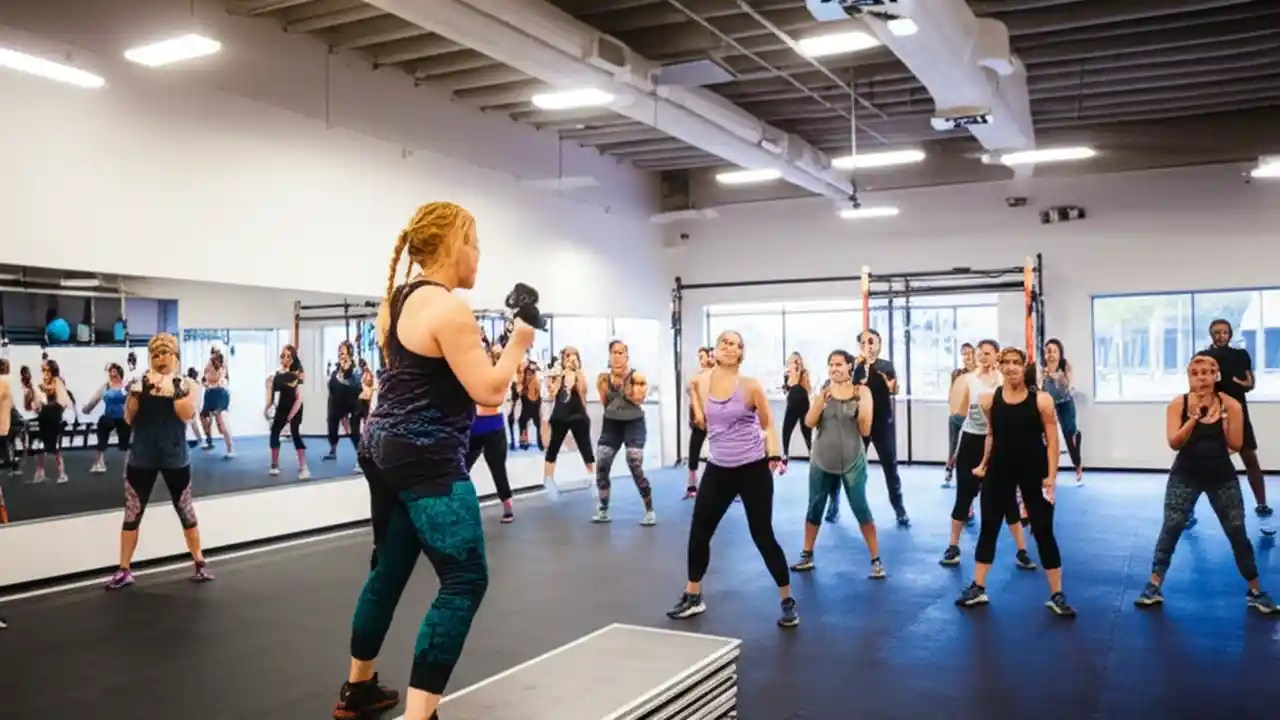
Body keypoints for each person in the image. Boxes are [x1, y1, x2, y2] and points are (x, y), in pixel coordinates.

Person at [334, 201, 534, 720]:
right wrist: (519, 342)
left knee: (390, 569)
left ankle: (357, 690)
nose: (480, 256)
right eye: (475, 244)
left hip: (382, 449)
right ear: (451, 246)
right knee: (466, 581)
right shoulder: (448, 309)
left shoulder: (397, 300)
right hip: (426, 458)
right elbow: (489, 391)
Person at [668, 330, 798, 628]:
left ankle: (787, 598)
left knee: (762, 535)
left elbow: (769, 423)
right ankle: (693, 594)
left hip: (752, 468)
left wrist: (774, 455)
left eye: (736, 345)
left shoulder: (750, 386)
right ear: (715, 349)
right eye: (725, 342)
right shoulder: (701, 382)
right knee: (699, 529)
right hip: (718, 469)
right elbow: (702, 422)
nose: (730, 347)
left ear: (741, 354)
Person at [1134, 352, 1276, 613]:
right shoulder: (1178, 404)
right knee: (1172, 527)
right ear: (1189, 377)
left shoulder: (1231, 405)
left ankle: (1256, 590)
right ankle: (1153, 585)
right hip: (1185, 474)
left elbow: (1236, 444)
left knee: (1237, 531)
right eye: (1196, 373)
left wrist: (1222, 423)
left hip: (1221, 475)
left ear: (1216, 376)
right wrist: (1193, 419)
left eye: (1207, 373)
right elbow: (1174, 442)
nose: (1202, 378)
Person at [956, 348, 1075, 616]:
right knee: (989, 528)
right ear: (1000, 367)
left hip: (1034, 471)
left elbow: (1053, 441)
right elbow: (991, 435)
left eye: (1016, 363)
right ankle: (978, 587)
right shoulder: (989, 400)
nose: (1011, 368)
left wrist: (1051, 477)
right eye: (1006, 363)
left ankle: (1057, 594)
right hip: (999, 471)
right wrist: (984, 464)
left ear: (1024, 368)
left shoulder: (1042, 401)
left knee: (1043, 531)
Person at [105, 333, 213, 590]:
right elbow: (129, 418)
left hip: (175, 456)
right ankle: (124, 570)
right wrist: (134, 396)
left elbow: (186, 413)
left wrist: (172, 388)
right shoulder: (141, 381)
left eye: (165, 353)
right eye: (155, 354)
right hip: (142, 456)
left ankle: (199, 563)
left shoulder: (188, 384)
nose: (160, 358)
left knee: (185, 509)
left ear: (175, 356)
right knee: (132, 513)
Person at [941, 339, 1034, 569]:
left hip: (1000, 443)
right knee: (964, 497)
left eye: (988, 354)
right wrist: (952, 450)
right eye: (980, 353)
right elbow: (955, 413)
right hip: (972, 440)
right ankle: (953, 546)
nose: (983, 357)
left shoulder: (1005, 380)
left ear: (996, 356)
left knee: (1008, 500)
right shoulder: (968, 380)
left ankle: (1022, 551)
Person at [790, 350, 883, 579]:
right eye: (831, 364)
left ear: (850, 367)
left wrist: (861, 406)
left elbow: (865, 430)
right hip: (822, 459)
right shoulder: (824, 393)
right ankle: (807, 554)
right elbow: (809, 422)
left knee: (861, 507)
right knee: (815, 507)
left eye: (839, 364)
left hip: (852, 461)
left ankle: (876, 559)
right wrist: (821, 400)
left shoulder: (862, 392)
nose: (835, 368)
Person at [1200, 319, 1270, 521]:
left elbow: (1250, 383)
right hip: (1212, 416)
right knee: (1201, 464)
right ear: (1211, 334)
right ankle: (1188, 511)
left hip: (1239, 414)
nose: (1221, 336)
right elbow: (1197, 385)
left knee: (1250, 459)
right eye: (1216, 332)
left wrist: (1235, 382)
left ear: (1230, 334)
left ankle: (1262, 504)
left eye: (1224, 332)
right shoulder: (1203, 357)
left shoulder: (1240, 355)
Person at [591, 340, 655, 525]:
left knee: (634, 463)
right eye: (614, 352)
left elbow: (640, 399)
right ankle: (603, 509)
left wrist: (627, 384)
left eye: (621, 352)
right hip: (611, 424)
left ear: (627, 356)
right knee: (602, 465)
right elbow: (606, 403)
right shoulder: (603, 379)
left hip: (634, 424)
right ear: (609, 356)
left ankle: (649, 509)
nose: (617, 356)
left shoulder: (637, 376)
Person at [852, 330, 909, 526]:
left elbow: (894, 389)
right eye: (863, 342)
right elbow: (852, 387)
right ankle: (838, 505)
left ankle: (899, 509)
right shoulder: (854, 365)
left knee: (890, 467)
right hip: (860, 423)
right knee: (852, 467)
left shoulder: (886, 365)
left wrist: (892, 385)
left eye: (871, 341)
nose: (867, 345)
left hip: (883, 423)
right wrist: (861, 364)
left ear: (879, 344)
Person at [467, 347, 515, 523]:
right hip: (474, 428)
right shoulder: (470, 378)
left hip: (494, 427)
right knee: (461, 469)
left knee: (498, 468)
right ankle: (464, 506)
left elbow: (494, 399)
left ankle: (507, 504)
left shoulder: (497, 380)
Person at [543, 346, 595, 489]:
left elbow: (583, 392)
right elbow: (553, 394)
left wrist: (576, 373)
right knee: (553, 447)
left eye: (574, 356)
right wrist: (556, 379)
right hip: (560, 416)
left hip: (578, 416)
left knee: (586, 447)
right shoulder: (559, 374)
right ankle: (548, 478)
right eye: (567, 356)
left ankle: (593, 477)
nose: (570, 359)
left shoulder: (580, 375)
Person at [1041, 339, 1082, 486]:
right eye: (1048, 351)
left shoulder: (1064, 365)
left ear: (1059, 353)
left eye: (1054, 351)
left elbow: (1067, 385)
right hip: (1048, 404)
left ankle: (1077, 465)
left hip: (1065, 402)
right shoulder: (1041, 368)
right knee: (1046, 436)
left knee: (1069, 433)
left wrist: (1057, 376)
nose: (1051, 355)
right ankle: (1047, 472)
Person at [265, 344, 309, 479]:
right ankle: (274, 464)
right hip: (282, 407)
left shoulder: (299, 375)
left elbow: (299, 399)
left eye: (289, 356)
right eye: (283, 356)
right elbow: (272, 394)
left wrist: (290, 416)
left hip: (295, 408)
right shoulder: (277, 375)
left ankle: (303, 466)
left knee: (295, 432)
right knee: (274, 432)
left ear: (293, 358)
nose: (286, 359)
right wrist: (267, 407)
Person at [83, 363, 131, 474]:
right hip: (109, 416)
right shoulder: (106, 386)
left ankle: (128, 469)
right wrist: (87, 409)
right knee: (102, 432)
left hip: (122, 417)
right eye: (111, 374)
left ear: (120, 374)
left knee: (125, 444)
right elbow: (96, 398)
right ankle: (100, 463)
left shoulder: (126, 386)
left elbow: (133, 402)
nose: (113, 376)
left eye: (115, 374)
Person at [31, 359, 71, 484]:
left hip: (54, 416)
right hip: (44, 417)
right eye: (43, 370)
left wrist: (57, 411)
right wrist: (36, 406)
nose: (45, 372)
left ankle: (62, 473)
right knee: (41, 445)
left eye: (47, 370)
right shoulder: (40, 384)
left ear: (52, 370)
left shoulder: (57, 381)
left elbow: (64, 401)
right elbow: (36, 403)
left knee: (55, 447)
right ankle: (40, 473)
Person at [943, 343, 976, 488]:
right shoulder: (957, 374)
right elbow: (951, 395)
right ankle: (948, 472)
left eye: (969, 353)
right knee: (953, 446)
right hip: (956, 416)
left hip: (972, 416)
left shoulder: (979, 374)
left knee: (970, 448)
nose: (966, 357)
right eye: (964, 354)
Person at [325, 341, 364, 461]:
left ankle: (361, 454)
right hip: (335, 401)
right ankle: (333, 450)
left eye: (343, 352)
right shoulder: (336, 367)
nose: (341, 355)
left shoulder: (356, 367)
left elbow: (356, 384)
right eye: (339, 352)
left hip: (351, 401)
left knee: (354, 430)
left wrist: (347, 371)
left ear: (350, 354)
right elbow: (331, 382)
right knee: (332, 423)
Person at [685, 346, 715, 497]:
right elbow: (692, 395)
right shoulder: (696, 378)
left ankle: (734, 488)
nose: (702, 360)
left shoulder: (718, 375)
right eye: (700, 357)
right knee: (694, 450)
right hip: (700, 419)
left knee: (726, 453)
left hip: (717, 419)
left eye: (703, 356)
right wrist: (698, 415)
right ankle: (691, 485)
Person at [199, 348, 235, 458]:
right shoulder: (209, 364)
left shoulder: (222, 366)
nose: (214, 355)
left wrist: (217, 382)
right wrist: (206, 383)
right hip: (210, 393)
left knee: (220, 422)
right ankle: (209, 440)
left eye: (216, 353)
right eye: (213, 353)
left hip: (220, 394)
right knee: (203, 417)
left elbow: (220, 378)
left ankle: (230, 449)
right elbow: (204, 378)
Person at [780, 352, 812, 462]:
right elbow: (786, 390)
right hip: (793, 399)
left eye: (797, 361)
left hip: (803, 399)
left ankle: (811, 451)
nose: (795, 363)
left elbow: (808, 389)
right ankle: (785, 453)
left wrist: (800, 376)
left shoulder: (804, 373)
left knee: (806, 427)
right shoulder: (787, 374)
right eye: (792, 361)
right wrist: (790, 378)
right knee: (787, 427)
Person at [516, 360, 543, 450]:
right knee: (522, 423)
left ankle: (540, 444)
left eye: (530, 374)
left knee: (538, 425)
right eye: (527, 374)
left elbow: (536, 396)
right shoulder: (522, 383)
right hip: (526, 408)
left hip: (534, 407)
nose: (528, 376)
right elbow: (518, 392)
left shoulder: (535, 382)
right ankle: (524, 442)